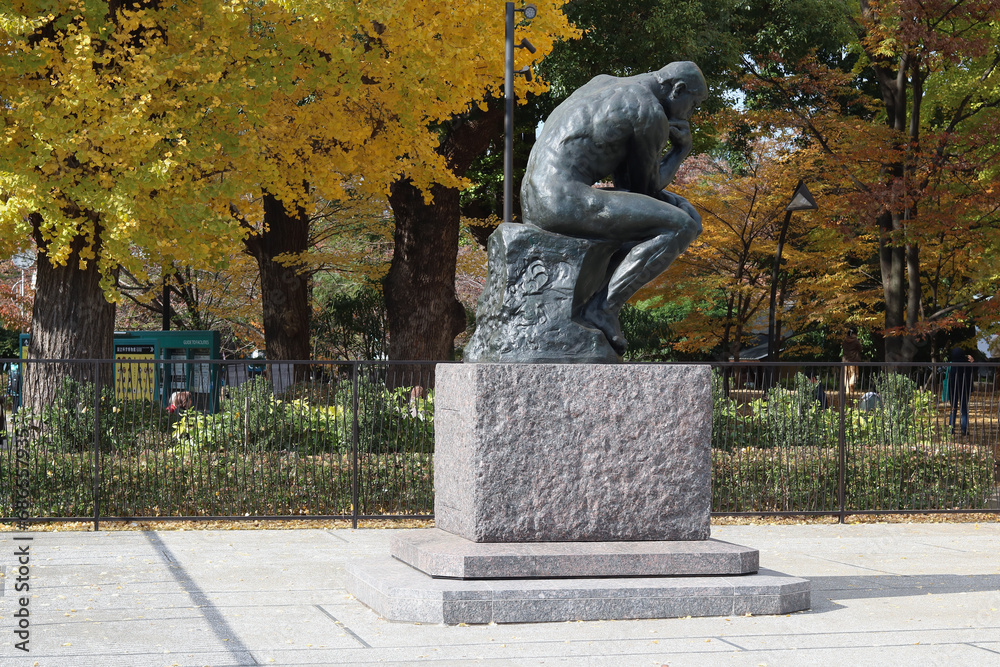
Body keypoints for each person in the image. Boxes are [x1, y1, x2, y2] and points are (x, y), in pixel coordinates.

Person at [520, 61, 708, 354]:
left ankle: (594, 297)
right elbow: (645, 187)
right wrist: (681, 150)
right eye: (693, 104)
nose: (690, 113)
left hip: (536, 196)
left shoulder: (603, 82)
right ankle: (603, 308)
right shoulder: (649, 111)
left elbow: (630, 189)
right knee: (682, 225)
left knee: (680, 215)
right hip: (562, 201)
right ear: (678, 89)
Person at [948, 347, 975, 436]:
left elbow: (950, 380)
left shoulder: (952, 365)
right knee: (964, 409)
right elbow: (972, 373)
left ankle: (951, 429)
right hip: (964, 388)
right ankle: (964, 429)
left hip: (953, 388)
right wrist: (972, 361)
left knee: (953, 408)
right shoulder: (966, 365)